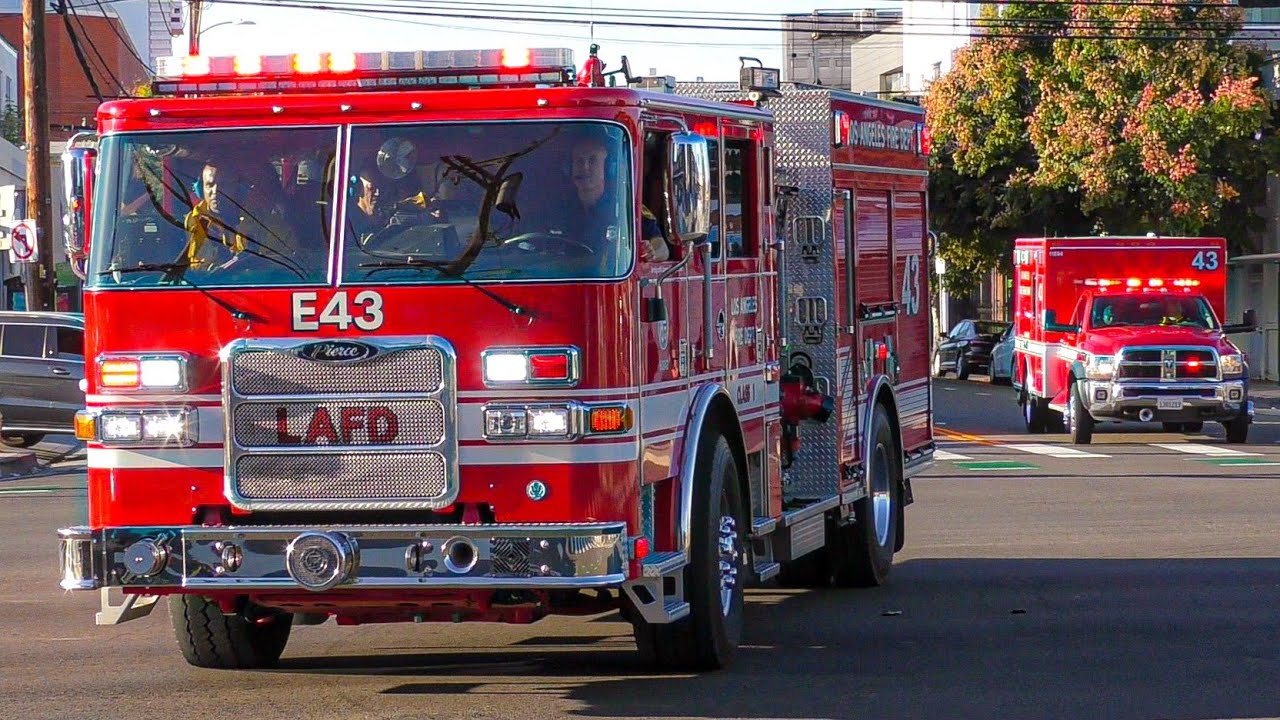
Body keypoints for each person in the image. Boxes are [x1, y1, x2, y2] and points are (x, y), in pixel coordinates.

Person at [567, 130, 669, 263]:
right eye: (579, 161)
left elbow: (662, 249)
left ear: (608, 168)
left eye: (592, 160)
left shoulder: (626, 208)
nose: (585, 167)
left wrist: (651, 252)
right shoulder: (558, 208)